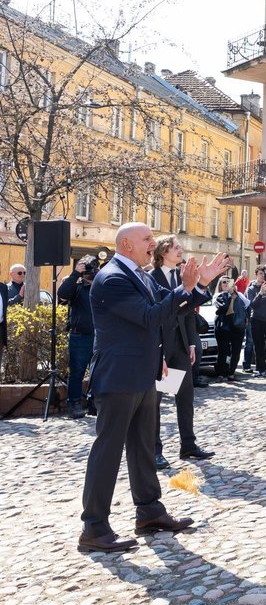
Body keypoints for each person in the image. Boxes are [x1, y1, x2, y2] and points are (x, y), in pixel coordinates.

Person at [79, 222, 226, 553]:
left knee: (143, 446)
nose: (153, 242)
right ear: (127, 245)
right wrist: (183, 288)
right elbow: (149, 316)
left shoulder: (140, 275)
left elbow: (169, 312)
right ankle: (94, 527)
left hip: (144, 373)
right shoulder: (112, 278)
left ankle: (150, 512)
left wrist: (200, 283)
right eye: (147, 238)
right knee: (108, 451)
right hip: (118, 376)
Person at [150, 235, 216, 469]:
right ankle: (155, 450)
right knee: (155, 402)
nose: (180, 250)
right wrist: (160, 353)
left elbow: (187, 311)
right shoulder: (151, 278)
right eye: (175, 247)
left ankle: (188, 444)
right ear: (162, 252)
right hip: (161, 348)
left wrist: (190, 343)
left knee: (185, 397)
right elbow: (155, 317)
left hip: (180, 346)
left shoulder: (183, 276)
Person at [58, 255, 99, 419]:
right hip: (80, 336)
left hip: (99, 336)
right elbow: (62, 294)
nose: (91, 270)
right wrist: (75, 274)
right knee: (77, 372)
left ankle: (94, 403)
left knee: (98, 372)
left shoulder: (100, 285)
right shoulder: (76, 286)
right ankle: (73, 403)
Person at [212, 277, 248, 381]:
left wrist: (236, 295)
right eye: (224, 282)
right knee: (223, 351)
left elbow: (248, 305)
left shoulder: (238, 295)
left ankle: (231, 372)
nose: (226, 284)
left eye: (229, 282)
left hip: (237, 326)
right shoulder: (218, 295)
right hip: (223, 326)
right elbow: (222, 307)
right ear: (220, 284)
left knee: (236, 350)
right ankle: (221, 373)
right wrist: (228, 295)